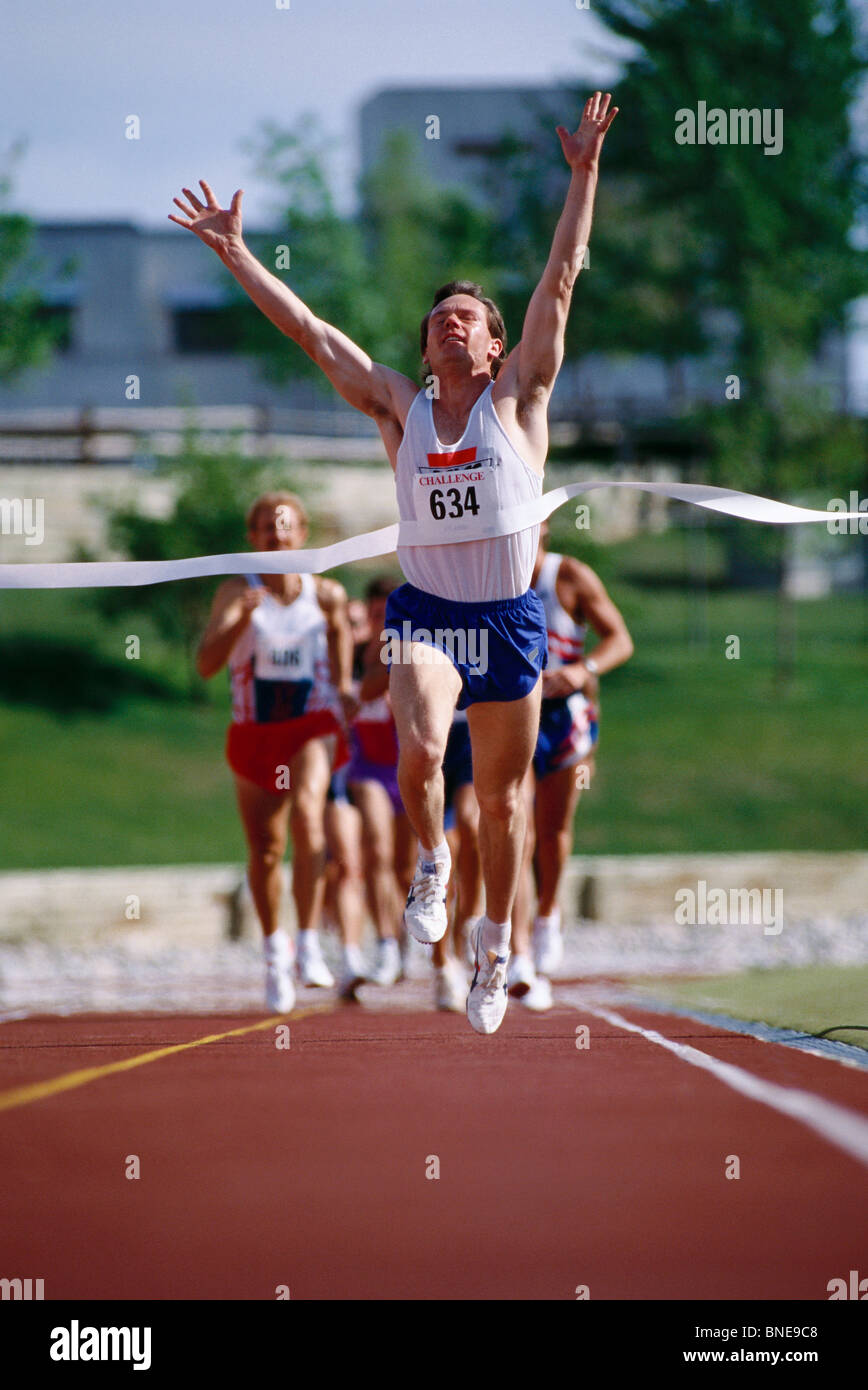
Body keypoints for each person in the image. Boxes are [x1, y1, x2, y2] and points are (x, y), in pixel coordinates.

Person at [171, 91, 618, 1033]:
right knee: (420, 745)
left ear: (495, 347)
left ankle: (494, 949)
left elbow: (564, 277)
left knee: (500, 804)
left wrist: (583, 176)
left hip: (509, 620)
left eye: (469, 319)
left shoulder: (520, 402)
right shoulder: (395, 409)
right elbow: (311, 334)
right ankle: (429, 863)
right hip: (426, 614)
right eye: (440, 319)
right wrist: (237, 253)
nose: (453, 324)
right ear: (424, 348)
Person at [195, 493, 355, 1013]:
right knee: (265, 850)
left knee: (310, 811)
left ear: (302, 534)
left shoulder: (326, 593)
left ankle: (308, 941)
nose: (275, 537)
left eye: (284, 528)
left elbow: (338, 636)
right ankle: (273, 953)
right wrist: (240, 620)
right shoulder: (236, 592)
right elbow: (205, 665)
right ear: (252, 537)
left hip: (309, 726)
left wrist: (346, 682)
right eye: (265, 528)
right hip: (254, 733)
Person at [508, 523, 634, 1004]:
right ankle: (519, 956)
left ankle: (547, 914)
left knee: (554, 830)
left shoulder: (570, 575)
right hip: (511, 713)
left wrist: (585, 669)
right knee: (518, 830)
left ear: (544, 526)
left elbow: (620, 639)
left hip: (563, 718)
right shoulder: (492, 575)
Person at [345, 576, 415, 989]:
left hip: (406, 768)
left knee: (406, 868)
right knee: (376, 849)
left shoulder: (412, 654)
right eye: (374, 615)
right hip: (367, 766)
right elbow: (346, 697)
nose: (380, 621)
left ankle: (406, 944)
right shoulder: (353, 655)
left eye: (386, 614)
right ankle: (385, 941)